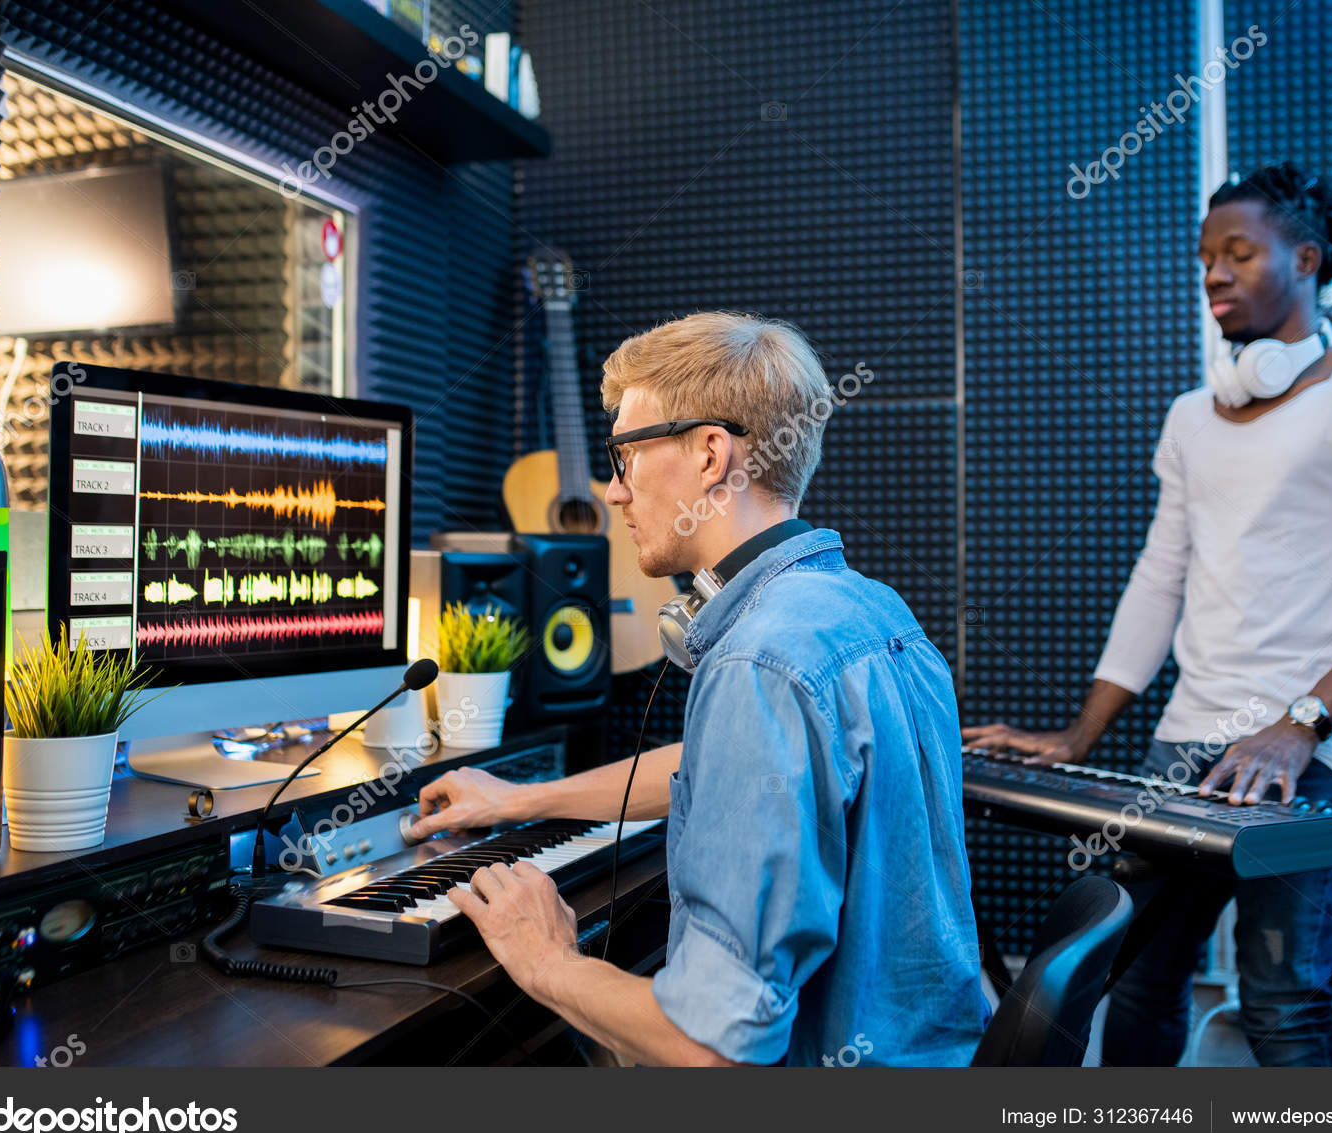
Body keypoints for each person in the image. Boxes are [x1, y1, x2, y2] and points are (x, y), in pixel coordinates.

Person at [964, 162, 1332, 1066]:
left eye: (1239, 252)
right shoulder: (1191, 417)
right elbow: (1160, 577)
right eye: (1205, 257)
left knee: (1283, 1005)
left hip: (1315, 757)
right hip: (1186, 744)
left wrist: (1300, 723)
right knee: (1138, 980)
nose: (1214, 273)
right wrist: (1082, 732)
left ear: (1307, 259)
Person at [412, 311, 989, 1066]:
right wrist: (518, 800)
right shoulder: (869, 612)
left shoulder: (759, 663)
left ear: (712, 453)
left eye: (625, 456)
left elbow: (711, 1050)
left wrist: (547, 958)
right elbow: (723, 763)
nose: (614, 493)